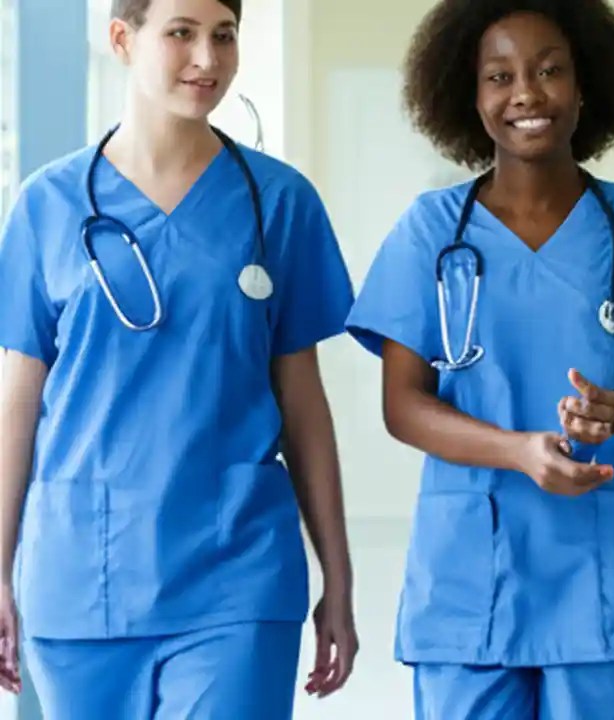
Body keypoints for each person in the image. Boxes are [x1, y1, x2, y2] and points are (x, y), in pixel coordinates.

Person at [344, 1, 614, 717]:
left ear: (586, 86)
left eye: (550, 70)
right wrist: (518, 450)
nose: (526, 93)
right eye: (500, 76)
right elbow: (402, 406)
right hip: (468, 580)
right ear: (472, 94)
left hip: (604, 582)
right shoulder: (430, 232)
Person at [0, 0, 359, 717]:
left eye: (224, 36)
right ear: (123, 39)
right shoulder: (46, 206)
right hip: (83, 576)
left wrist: (338, 579)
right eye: (181, 34)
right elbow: (17, 404)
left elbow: (304, 407)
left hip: (238, 573)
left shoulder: (278, 204)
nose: (208, 59)